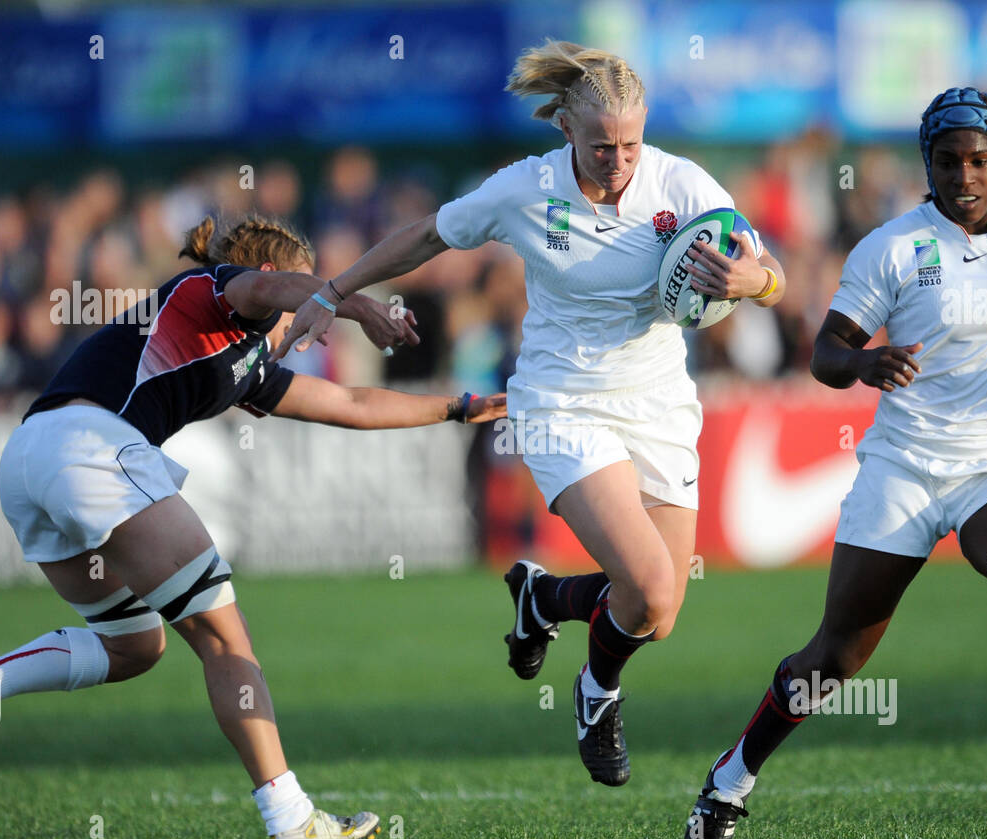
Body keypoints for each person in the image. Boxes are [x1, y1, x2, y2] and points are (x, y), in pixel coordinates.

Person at [274, 40, 786, 787]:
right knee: (644, 585)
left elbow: (772, 278)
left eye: (632, 143)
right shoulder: (525, 189)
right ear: (566, 132)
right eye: (602, 145)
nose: (618, 160)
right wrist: (332, 291)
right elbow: (423, 236)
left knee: (660, 613)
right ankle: (597, 693)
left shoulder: (685, 183)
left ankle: (542, 596)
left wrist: (753, 281)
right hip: (560, 398)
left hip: (660, 403)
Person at [0, 214, 505, 839]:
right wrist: (357, 306)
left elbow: (349, 405)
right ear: (278, 277)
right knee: (226, 641)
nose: (302, 324)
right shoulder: (215, 291)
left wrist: (453, 408)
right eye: (303, 293)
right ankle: (291, 819)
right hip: (88, 451)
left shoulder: (247, 363)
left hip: (30, 461)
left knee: (134, 647)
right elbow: (277, 292)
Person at [683, 88, 987, 839]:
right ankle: (729, 780)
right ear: (926, 164)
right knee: (837, 654)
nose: (965, 175)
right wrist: (866, 361)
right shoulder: (893, 247)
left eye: (980, 160)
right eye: (948, 160)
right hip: (904, 466)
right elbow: (826, 352)